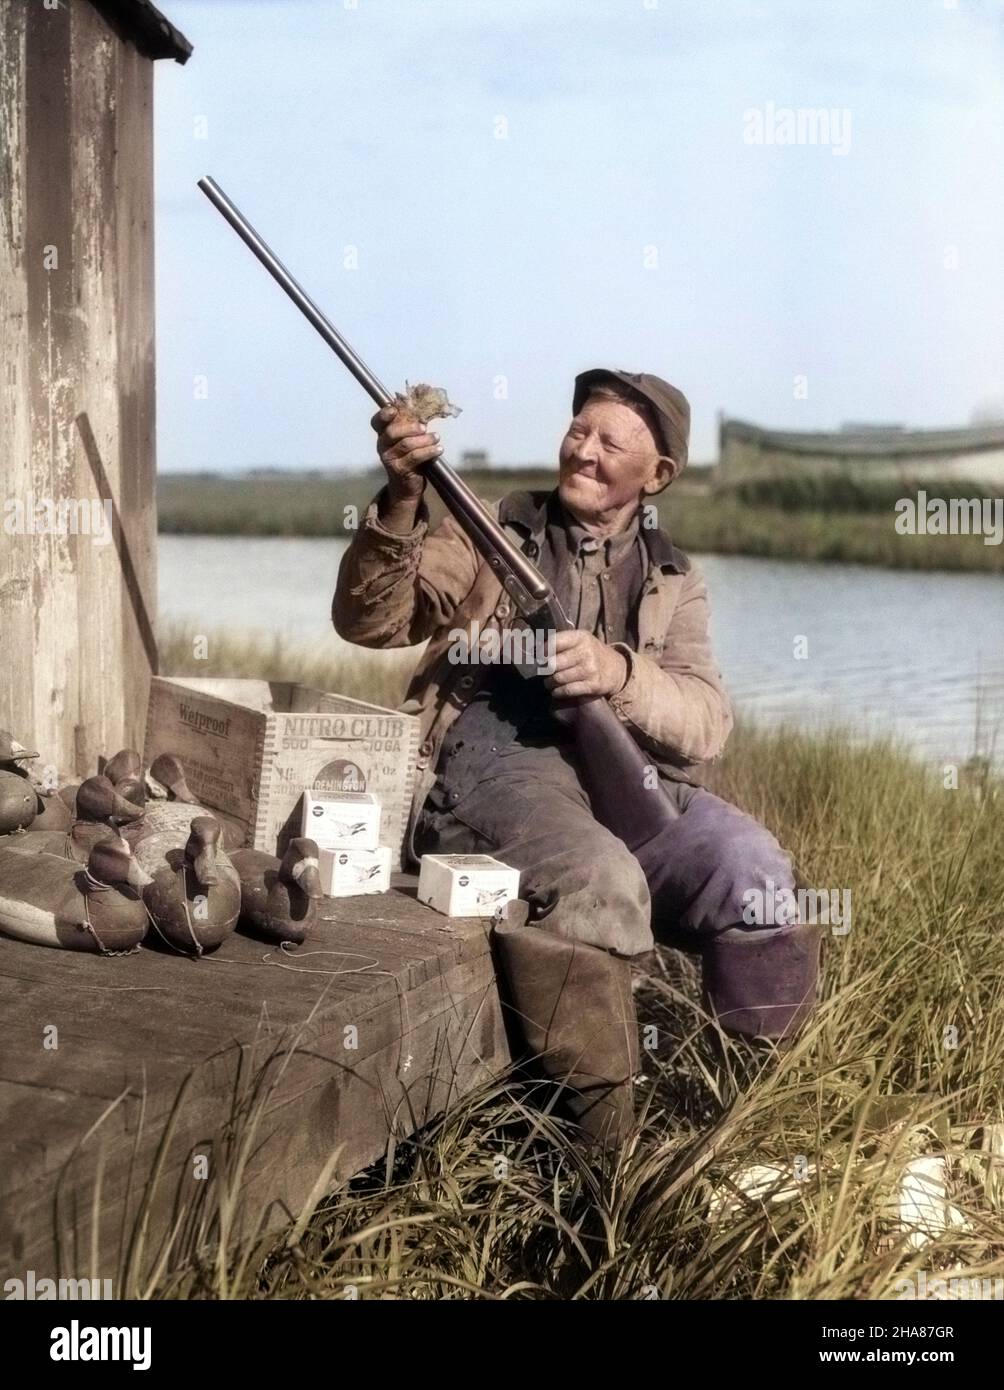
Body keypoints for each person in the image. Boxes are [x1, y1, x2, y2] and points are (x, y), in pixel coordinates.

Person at [332, 369, 821, 1146]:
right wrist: (399, 500)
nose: (582, 452)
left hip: (630, 778)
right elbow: (371, 620)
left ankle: (752, 1125)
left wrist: (617, 673)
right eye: (577, 431)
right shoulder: (493, 530)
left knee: (752, 870)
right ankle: (595, 1166)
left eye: (610, 443)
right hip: (496, 764)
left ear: (656, 476)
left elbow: (705, 721)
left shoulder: (675, 578)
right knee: (601, 881)